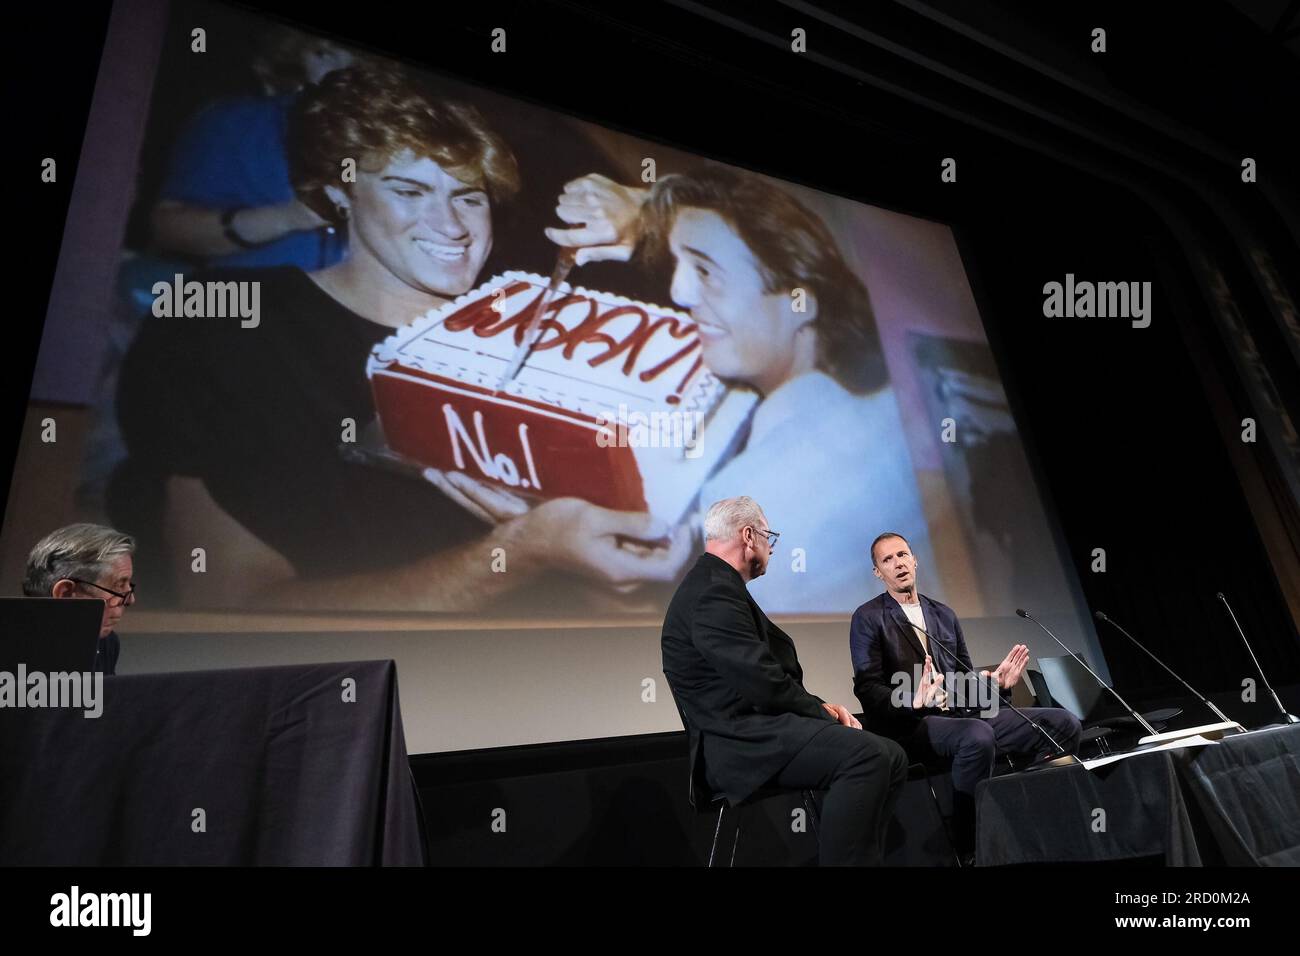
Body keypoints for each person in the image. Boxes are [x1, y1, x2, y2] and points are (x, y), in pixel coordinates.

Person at [110, 62, 689, 612]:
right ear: (339, 194)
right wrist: (517, 552)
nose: (451, 226)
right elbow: (233, 612)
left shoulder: (557, 337)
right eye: (409, 192)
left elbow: (609, 597)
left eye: (468, 196)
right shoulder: (228, 335)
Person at [547, 165, 935, 612]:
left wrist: (551, 557)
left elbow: (715, 636)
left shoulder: (750, 497)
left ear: (799, 304)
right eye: (679, 264)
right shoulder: (897, 407)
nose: (679, 290)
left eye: (705, 271)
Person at [662, 496, 907, 866]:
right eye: (768, 536)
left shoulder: (719, 585)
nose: (771, 549)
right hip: (740, 742)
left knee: (894, 755)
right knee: (868, 756)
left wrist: (818, 708)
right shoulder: (713, 591)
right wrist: (821, 713)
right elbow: (760, 680)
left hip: (761, 727)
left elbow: (761, 676)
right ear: (748, 535)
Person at [849, 531, 1082, 860]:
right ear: (878, 572)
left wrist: (996, 686)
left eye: (902, 554)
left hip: (961, 719)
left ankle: (1039, 820)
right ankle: (973, 845)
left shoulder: (942, 614)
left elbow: (962, 684)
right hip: (910, 727)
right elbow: (868, 689)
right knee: (976, 735)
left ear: (914, 559)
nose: (897, 563)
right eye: (887, 559)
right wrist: (911, 700)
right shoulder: (868, 617)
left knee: (1062, 725)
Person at [149, 26, 356, 271]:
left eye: (360, 61)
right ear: (298, 53)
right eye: (324, 54)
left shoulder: (399, 137)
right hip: (249, 303)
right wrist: (291, 217)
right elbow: (168, 229)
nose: (341, 72)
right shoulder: (234, 122)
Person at [21, 524, 137, 675]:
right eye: (118, 586)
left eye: (127, 586)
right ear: (66, 594)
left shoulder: (105, 643)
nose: (130, 600)